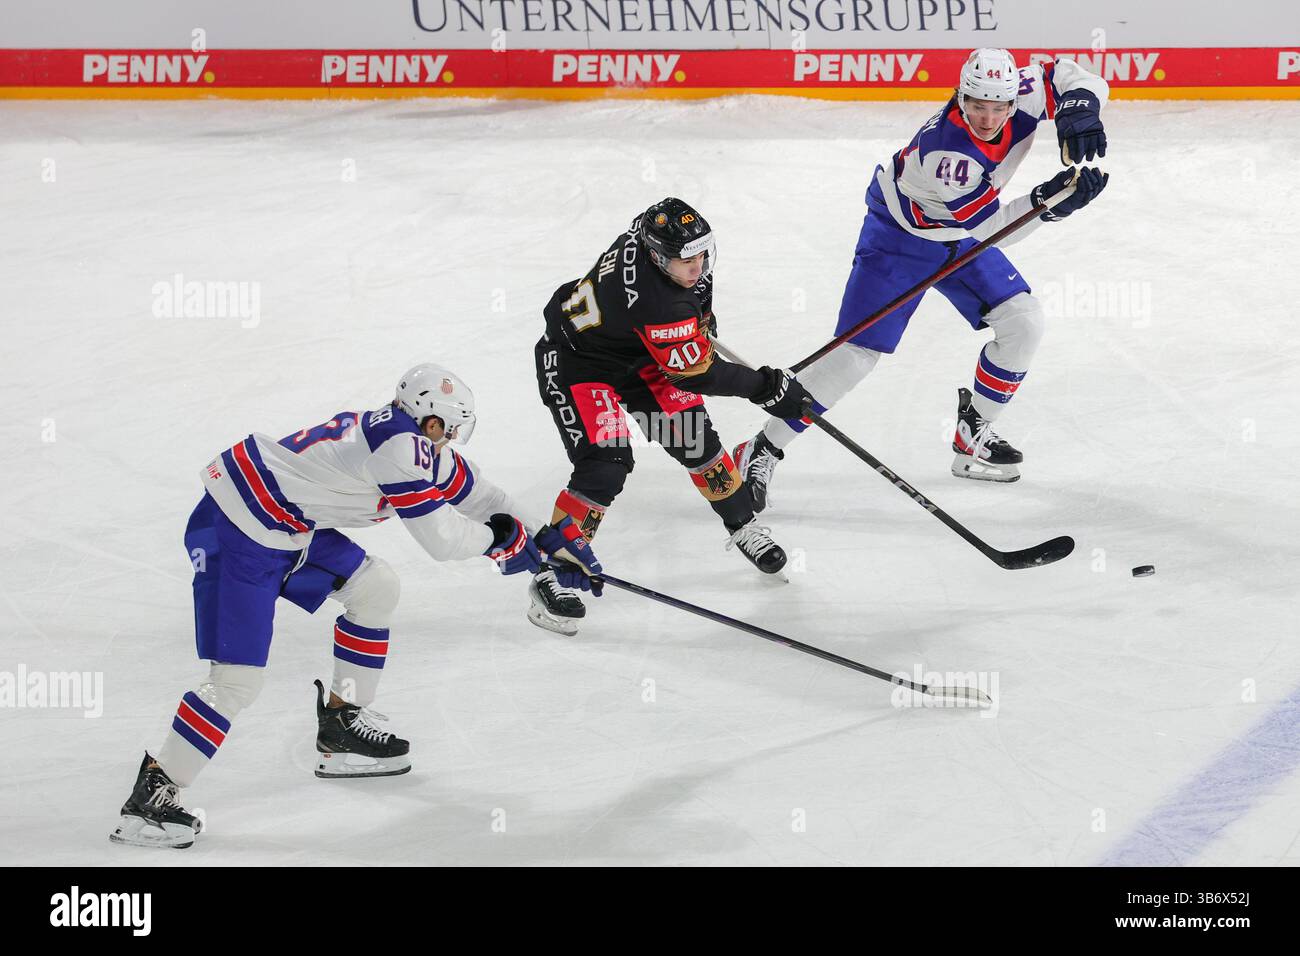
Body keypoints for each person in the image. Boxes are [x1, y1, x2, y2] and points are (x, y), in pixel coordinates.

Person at [109, 363, 600, 848]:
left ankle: (341, 726)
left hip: (285, 526)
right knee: (237, 681)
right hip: (237, 528)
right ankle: (152, 796)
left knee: (375, 588)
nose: (450, 439)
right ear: (430, 422)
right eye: (448, 430)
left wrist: (551, 541)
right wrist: (505, 545)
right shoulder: (398, 454)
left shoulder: (411, 440)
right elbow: (445, 540)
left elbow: (482, 496)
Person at [735, 48, 1110, 502]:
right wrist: (1047, 204)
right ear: (960, 96)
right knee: (854, 356)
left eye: (997, 108)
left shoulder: (1021, 91)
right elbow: (989, 230)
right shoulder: (949, 154)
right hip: (901, 238)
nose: (987, 118)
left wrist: (1080, 107)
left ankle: (974, 434)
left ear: (1014, 99)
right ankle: (762, 447)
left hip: (957, 231)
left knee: (1024, 321)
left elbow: (1072, 77)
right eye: (976, 106)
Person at [531, 197, 817, 634]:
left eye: (703, 253)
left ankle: (743, 524)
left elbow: (690, 320)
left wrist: (700, 327)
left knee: (695, 441)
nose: (698, 265)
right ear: (658, 256)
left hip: (637, 351)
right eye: (687, 259)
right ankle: (553, 569)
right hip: (578, 361)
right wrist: (767, 387)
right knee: (605, 464)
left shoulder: (662, 251)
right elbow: (695, 376)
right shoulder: (658, 301)